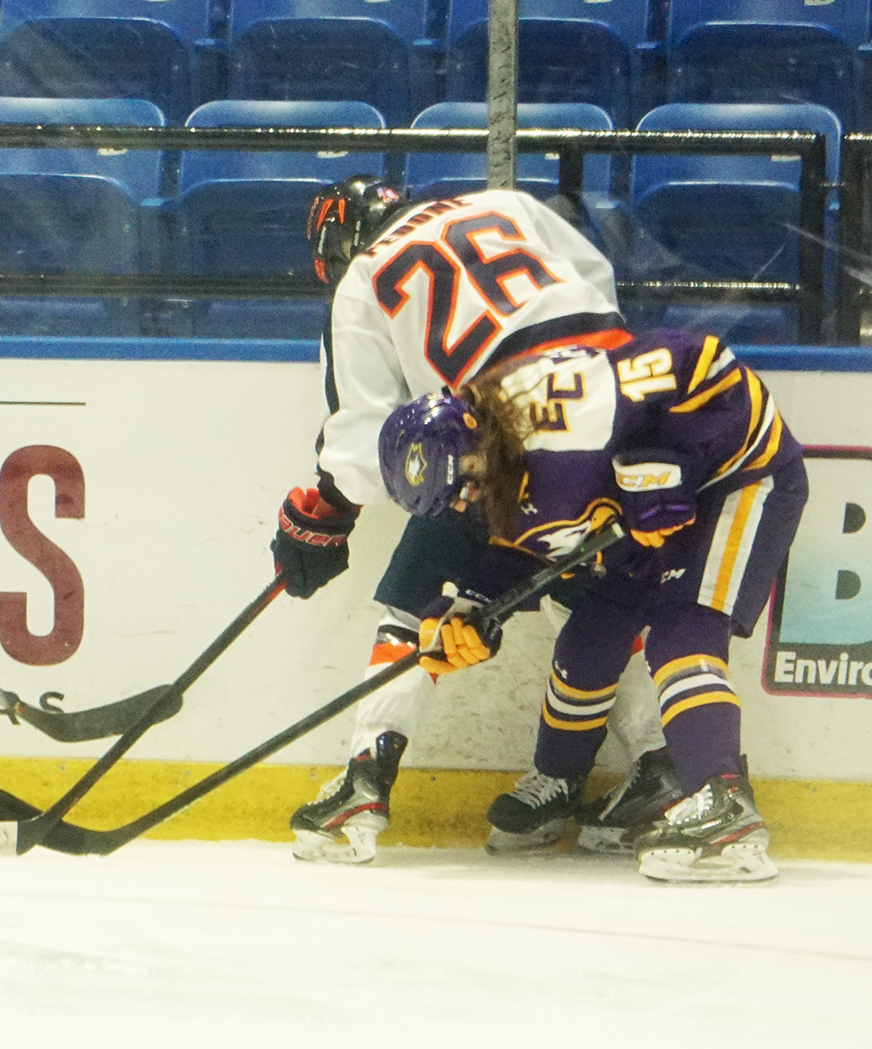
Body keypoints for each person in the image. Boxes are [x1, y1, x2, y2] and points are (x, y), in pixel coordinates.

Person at [274, 175, 674, 863]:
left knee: (413, 608)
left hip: (505, 428)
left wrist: (323, 514)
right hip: (610, 400)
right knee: (588, 591)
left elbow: (361, 448)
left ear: (337, 248)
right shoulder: (505, 205)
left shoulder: (365, 276)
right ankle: (664, 768)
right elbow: (594, 281)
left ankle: (363, 789)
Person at [376, 327, 807, 882]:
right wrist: (470, 610)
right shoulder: (491, 457)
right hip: (640, 524)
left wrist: (674, 463)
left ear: (476, 439)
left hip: (742, 481)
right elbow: (525, 545)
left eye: (471, 482)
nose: (471, 499)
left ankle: (724, 805)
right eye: (455, 499)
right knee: (586, 642)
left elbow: (704, 359)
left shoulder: (571, 422)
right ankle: (558, 782)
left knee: (683, 631)